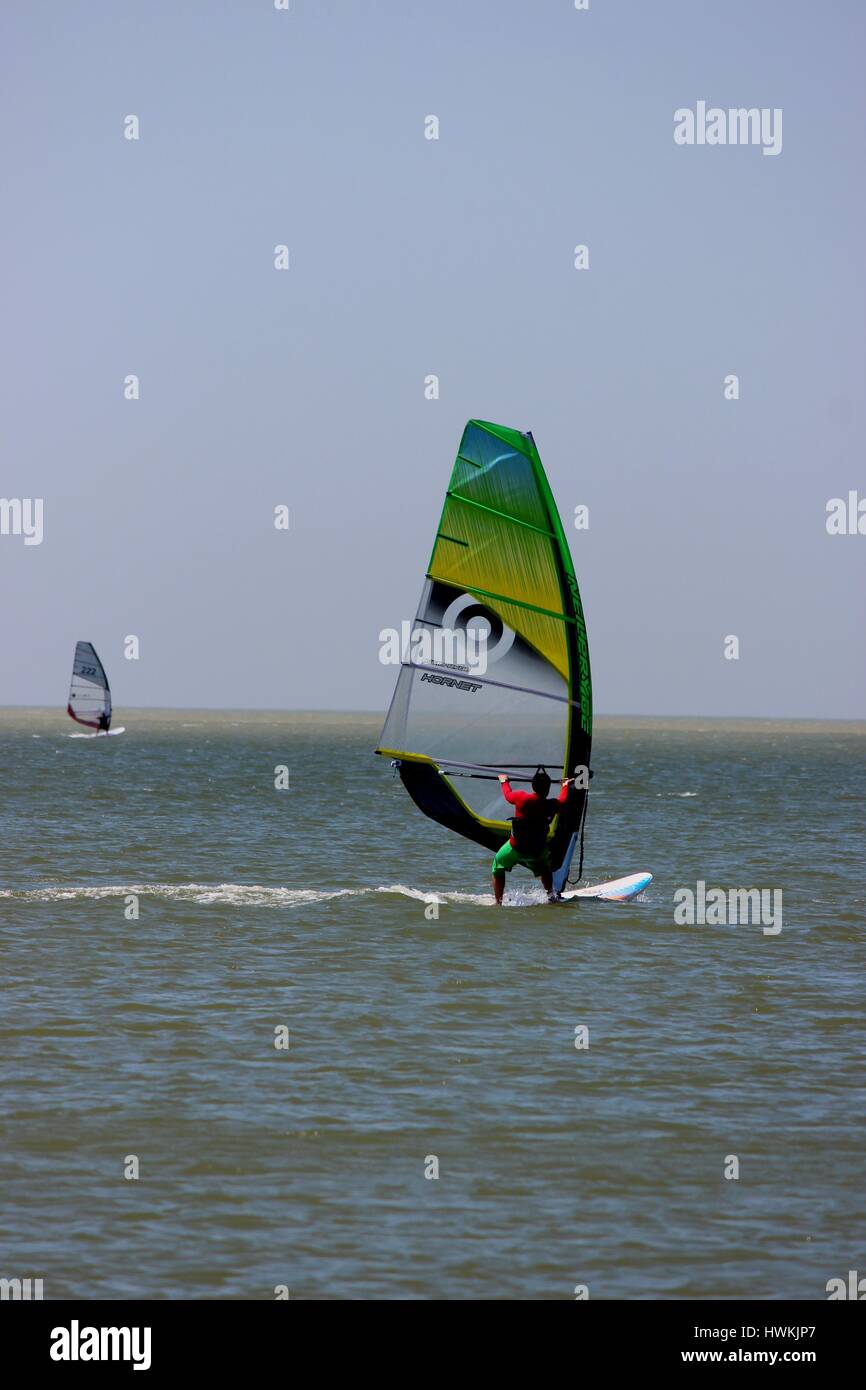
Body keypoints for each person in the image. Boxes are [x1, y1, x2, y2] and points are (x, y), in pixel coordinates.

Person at [492, 768, 573, 905]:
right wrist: (565, 786)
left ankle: (498, 902)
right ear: (548, 789)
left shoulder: (522, 798)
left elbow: (507, 794)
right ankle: (550, 895)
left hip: (515, 848)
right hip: (537, 851)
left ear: (532, 786)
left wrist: (504, 781)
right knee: (545, 867)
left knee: (497, 866)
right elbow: (563, 800)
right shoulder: (551, 805)